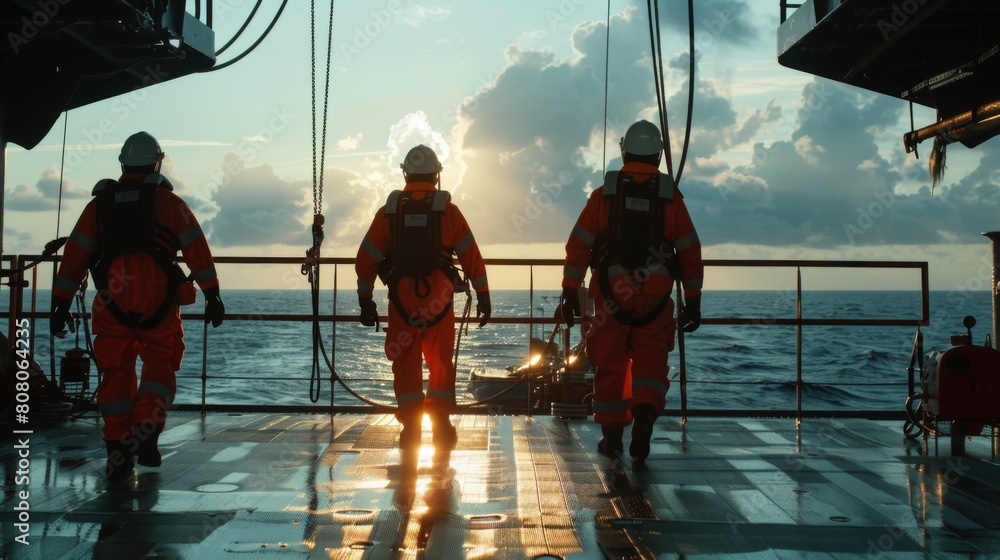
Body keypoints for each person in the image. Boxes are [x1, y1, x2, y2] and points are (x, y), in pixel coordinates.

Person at [50, 131, 225, 482]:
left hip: (111, 304)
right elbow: (196, 248)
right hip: (158, 303)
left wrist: (60, 304)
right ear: (157, 162)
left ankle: (117, 449)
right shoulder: (169, 204)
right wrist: (212, 293)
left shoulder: (98, 205)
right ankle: (146, 430)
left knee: (115, 371)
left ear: (122, 163)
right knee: (160, 365)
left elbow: (75, 257)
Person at [560, 120, 703, 461]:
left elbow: (578, 245)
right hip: (654, 295)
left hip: (610, 292)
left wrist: (568, 291)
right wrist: (693, 302)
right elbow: (690, 252)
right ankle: (644, 417)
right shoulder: (671, 200)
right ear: (658, 155)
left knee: (609, 364)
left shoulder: (603, 196)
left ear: (623, 152)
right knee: (651, 364)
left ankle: (611, 439)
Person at [355, 144, 491, 451]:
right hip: (439, 302)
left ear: (406, 173)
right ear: (436, 174)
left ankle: (411, 426)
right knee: (441, 362)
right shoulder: (449, 212)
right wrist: (483, 295)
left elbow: (366, 259)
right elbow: (471, 255)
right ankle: (441, 423)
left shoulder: (389, 212)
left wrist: (366, 298)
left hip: (401, 303)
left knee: (405, 362)